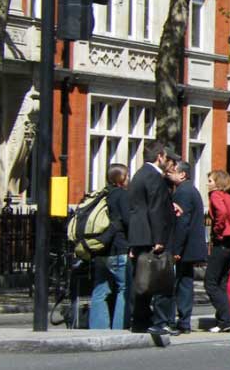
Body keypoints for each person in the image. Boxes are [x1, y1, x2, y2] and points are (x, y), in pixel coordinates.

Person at [127, 141, 177, 334]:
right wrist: (159, 239)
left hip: (139, 236)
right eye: (166, 157)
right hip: (152, 236)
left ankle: (140, 321)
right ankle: (160, 321)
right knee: (160, 279)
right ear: (160, 157)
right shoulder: (154, 176)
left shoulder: (139, 175)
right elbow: (155, 208)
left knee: (142, 280)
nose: (167, 161)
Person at [88, 163, 131, 330]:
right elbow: (128, 220)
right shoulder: (122, 195)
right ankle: (119, 326)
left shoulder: (103, 194)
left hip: (101, 248)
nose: (129, 179)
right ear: (120, 179)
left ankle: (98, 328)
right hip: (118, 248)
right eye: (127, 176)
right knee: (124, 288)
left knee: (100, 290)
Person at [167, 160, 206, 335]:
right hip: (190, 246)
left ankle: (181, 321)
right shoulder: (190, 190)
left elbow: (182, 223)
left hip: (184, 248)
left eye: (173, 170)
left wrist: (176, 249)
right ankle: (184, 321)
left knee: (181, 284)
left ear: (182, 174)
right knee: (186, 283)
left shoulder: (182, 192)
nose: (169, 173)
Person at [205, 169, 230, 333]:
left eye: (210, 181)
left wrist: (218, 230)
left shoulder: (216, 195)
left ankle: (226, 319)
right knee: (222, 282)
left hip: (222, 240)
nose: (208, 184)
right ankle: (224, 319)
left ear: (218, 183)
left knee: (210, 282)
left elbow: (222, 212)